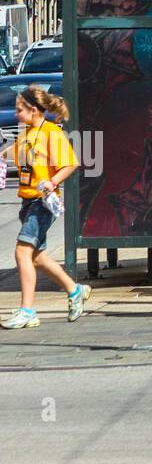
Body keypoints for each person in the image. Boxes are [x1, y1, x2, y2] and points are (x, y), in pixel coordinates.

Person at [1, 87, 89, 329]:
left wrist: (52, 182)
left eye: (19, 110)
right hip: (27, 201)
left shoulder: (51, 133)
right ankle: (75, 290)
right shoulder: (27, 133)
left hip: (42, 203)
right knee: (37, 257)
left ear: (33, 110)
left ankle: (27, 310)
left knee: (21, 252)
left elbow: (71, 164)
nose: (16, 114)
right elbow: (15, 155)